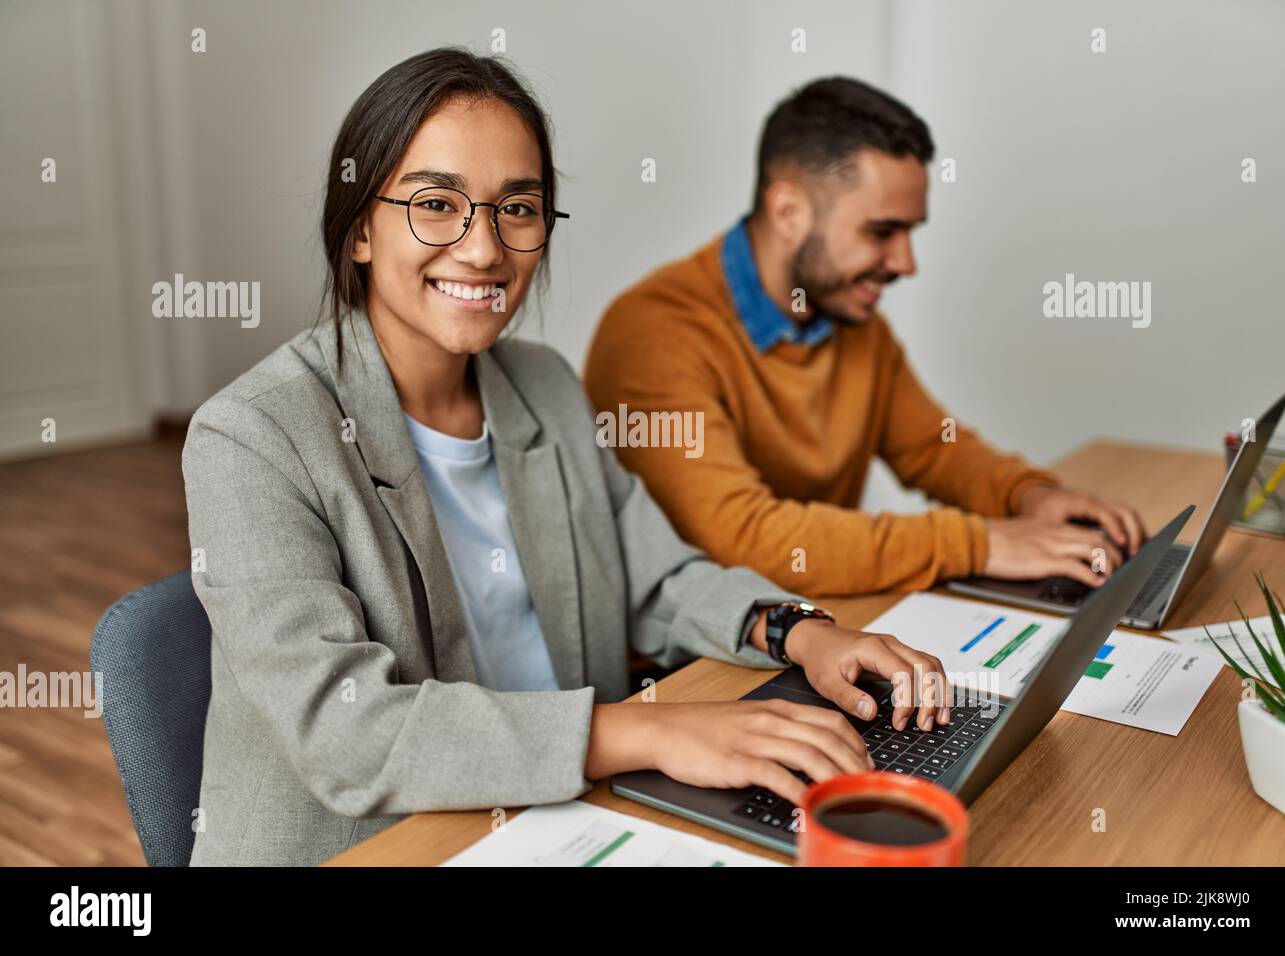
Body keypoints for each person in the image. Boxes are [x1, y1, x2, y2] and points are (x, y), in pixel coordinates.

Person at [182, 49, 952, 866]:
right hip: (389, 846)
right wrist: (645, 730)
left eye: (518, 208)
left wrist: (798, 631)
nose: (483, 250)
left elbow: (656, 576)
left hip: (562, 817)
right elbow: (345, 731)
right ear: (361, 228)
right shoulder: (251, 438)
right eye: (437, 204)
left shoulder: (543, 385)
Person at [584, 77, 1147, 597]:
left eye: (910, 232)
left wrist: (1030, 498)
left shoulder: (851, 322)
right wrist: (981, 543)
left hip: (819, 622)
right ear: (788, 212)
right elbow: (741, 539)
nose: (906, 262)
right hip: (690, 667)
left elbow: (933, 447)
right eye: (883, 232)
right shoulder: (654, 333)